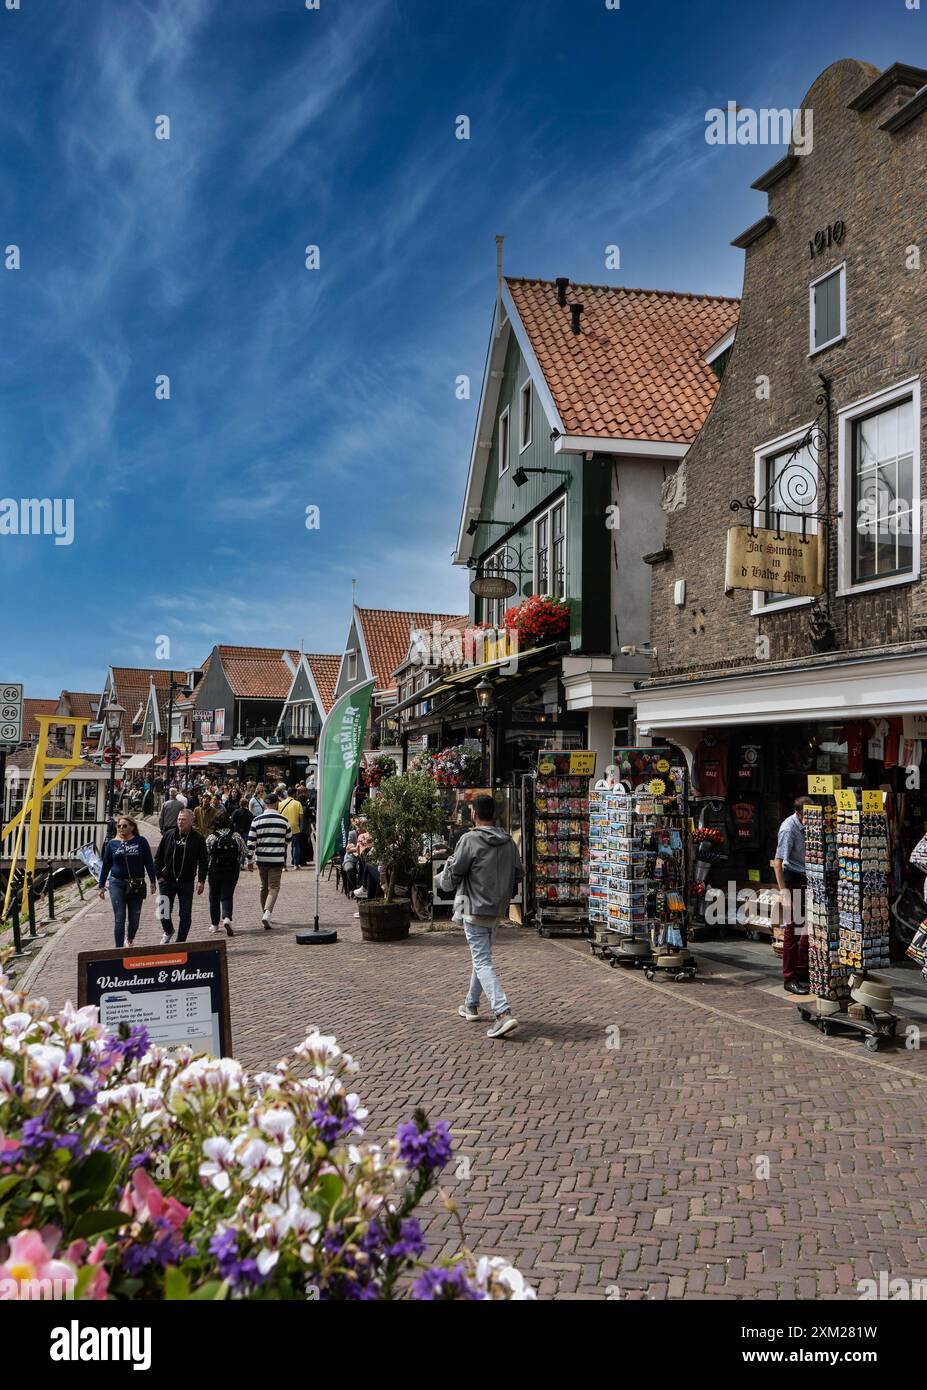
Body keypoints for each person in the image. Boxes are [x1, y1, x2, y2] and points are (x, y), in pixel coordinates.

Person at [439, 794, 523, 1039]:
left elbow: (455, 872)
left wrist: (445, 878)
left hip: (474, 908)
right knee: (481, 958)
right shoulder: (509, 842)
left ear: (474, 813)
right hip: (497, 910)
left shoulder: (469, 840)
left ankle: (503, 1013)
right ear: (494, 814)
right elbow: (519, 874)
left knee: (483, 961)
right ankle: (471, 1004)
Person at [98, 814, 157, 949]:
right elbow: (106, 865)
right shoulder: (112, 844)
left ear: (132, 827)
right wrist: (101, 886)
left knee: (134, 919)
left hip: (136, 884)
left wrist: (153, 881)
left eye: (124, 826)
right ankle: (118, 949)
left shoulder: (141, 841)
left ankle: (130, 938)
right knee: (120, 917)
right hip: (117, 882)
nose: (121, 828)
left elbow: (148, 862)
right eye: (119, 826)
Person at [773, 795, 812, 996]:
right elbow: (778, 862)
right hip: (794, 879)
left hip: (809, 878)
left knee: (806, 930)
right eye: (808, 816)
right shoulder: (789, 829)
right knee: (794, 930)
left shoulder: (809, 825)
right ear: (799, 813)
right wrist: (783, 891)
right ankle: (790, 978)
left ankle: (803, 972)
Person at [155, 807, 208, 944]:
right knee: (163, 911)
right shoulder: (169, 834)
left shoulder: (198, 839)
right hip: (167, 880)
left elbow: (203, 861)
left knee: (185, 914)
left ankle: (180, 943)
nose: (180, 822)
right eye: (179, 819)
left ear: (191, 821)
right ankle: (168, 930)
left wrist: (201, 880)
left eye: (183, 820)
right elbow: (158, 856)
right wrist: (158, 875)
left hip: (186, 881)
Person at [247, 792, 290, 928]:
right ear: (277, 803)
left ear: (265, 804)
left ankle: (264, 913)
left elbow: (251, 841)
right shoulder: (283, 820)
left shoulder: (256, 820)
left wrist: (249, 860)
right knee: (274, 887)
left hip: (261, 859)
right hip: (276, 859)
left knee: (263, 886)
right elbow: (289, 839)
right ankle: (267, 913)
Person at [205, 809, 247, 937]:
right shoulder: (236, 836)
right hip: (232, 869)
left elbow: (206, 854)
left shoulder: (211, 837)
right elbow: (244, 852)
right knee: (227, 895)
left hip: (215, 869)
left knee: (214, 896)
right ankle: (227, 917)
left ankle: (214, 925)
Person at [279, 788, 304, 869]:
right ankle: (296, 864)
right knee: (296, 846)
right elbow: (301, 817)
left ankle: (283, 866)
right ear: (294, 794)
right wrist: (301, 827)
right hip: (294, 827)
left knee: (284, 847)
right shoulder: (297, 803)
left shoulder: (281, 804)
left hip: (283, 827)